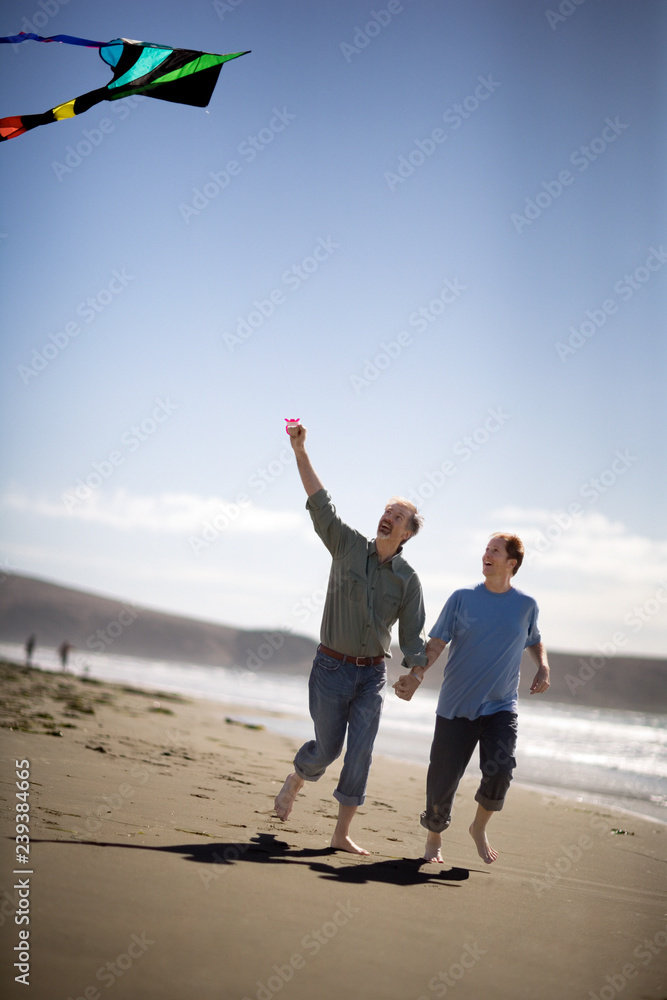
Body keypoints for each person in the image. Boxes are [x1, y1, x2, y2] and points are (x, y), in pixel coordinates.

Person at [274, 423, 428, 855]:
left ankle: (340, 834)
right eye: (387, 510)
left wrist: (414, 675)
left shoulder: (408, 581)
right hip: (331, 668)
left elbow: (414, 640)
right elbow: (319, 503)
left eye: (398, 516)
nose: (389, 516)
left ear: (407, 534)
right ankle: (297, 778)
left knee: (359, 752)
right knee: (327, 749)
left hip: (372, 676)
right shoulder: (345, 544)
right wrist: (300, 451)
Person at [393, 533, 550, 865]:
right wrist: (417, 675)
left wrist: (543, 668)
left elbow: (533, 638)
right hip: (456, 705)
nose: (486, 554)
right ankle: (434, 838)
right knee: (443, 780)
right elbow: (436, 643)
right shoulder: (462, 598)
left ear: (511, 563)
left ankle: (478, 827)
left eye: (495, 550)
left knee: (501, 770)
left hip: (501, 706)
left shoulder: (526, 605)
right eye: (486, 549)